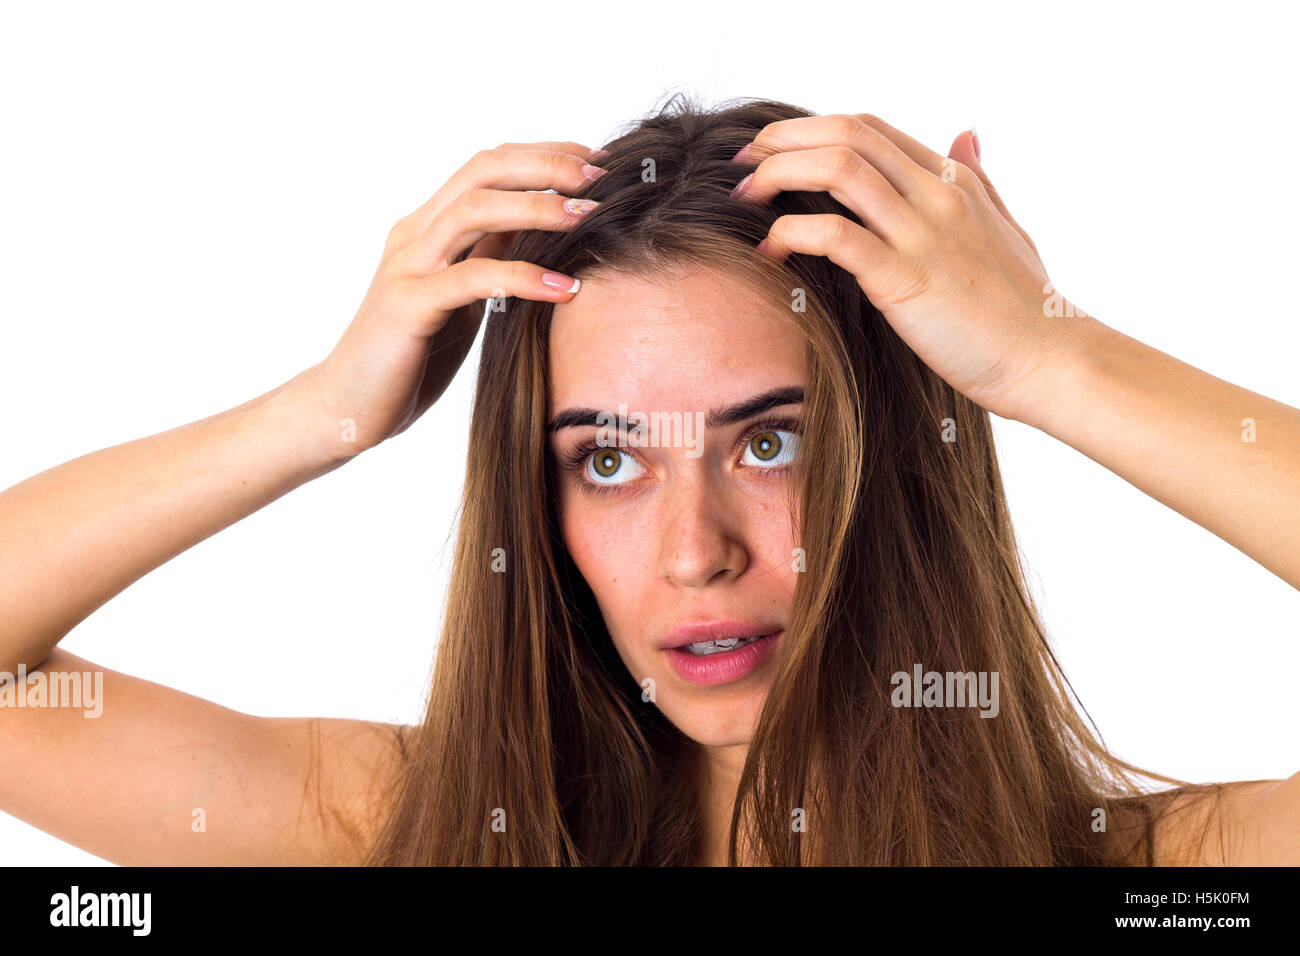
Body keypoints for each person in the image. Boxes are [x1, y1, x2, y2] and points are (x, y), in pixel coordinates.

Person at [2, 95, 1296, 866]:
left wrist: (1044, 357)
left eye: (768, 441)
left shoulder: (1166, 874)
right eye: (608, 460)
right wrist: (322, 414)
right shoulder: (409, 833)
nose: (695, 553)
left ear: (898, 461)